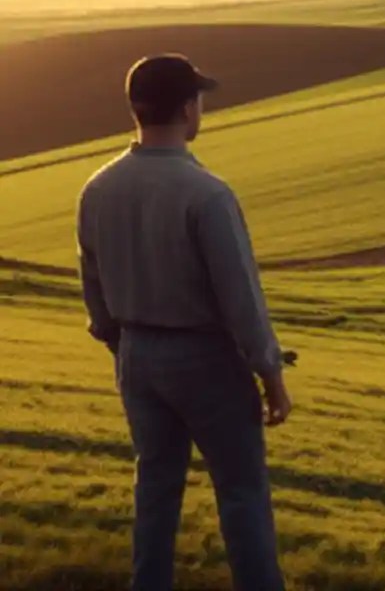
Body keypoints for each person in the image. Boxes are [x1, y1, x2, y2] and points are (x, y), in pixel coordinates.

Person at [76, 54, 291, 591]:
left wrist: (122, 346)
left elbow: (93, 285)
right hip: (206, 360)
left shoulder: (97, 189)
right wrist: (271, 375)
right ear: (190, 108)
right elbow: (241, 298)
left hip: (136, 357)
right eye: (200, 100)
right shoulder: (208, 195)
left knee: (154, 487)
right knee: (241, 492)